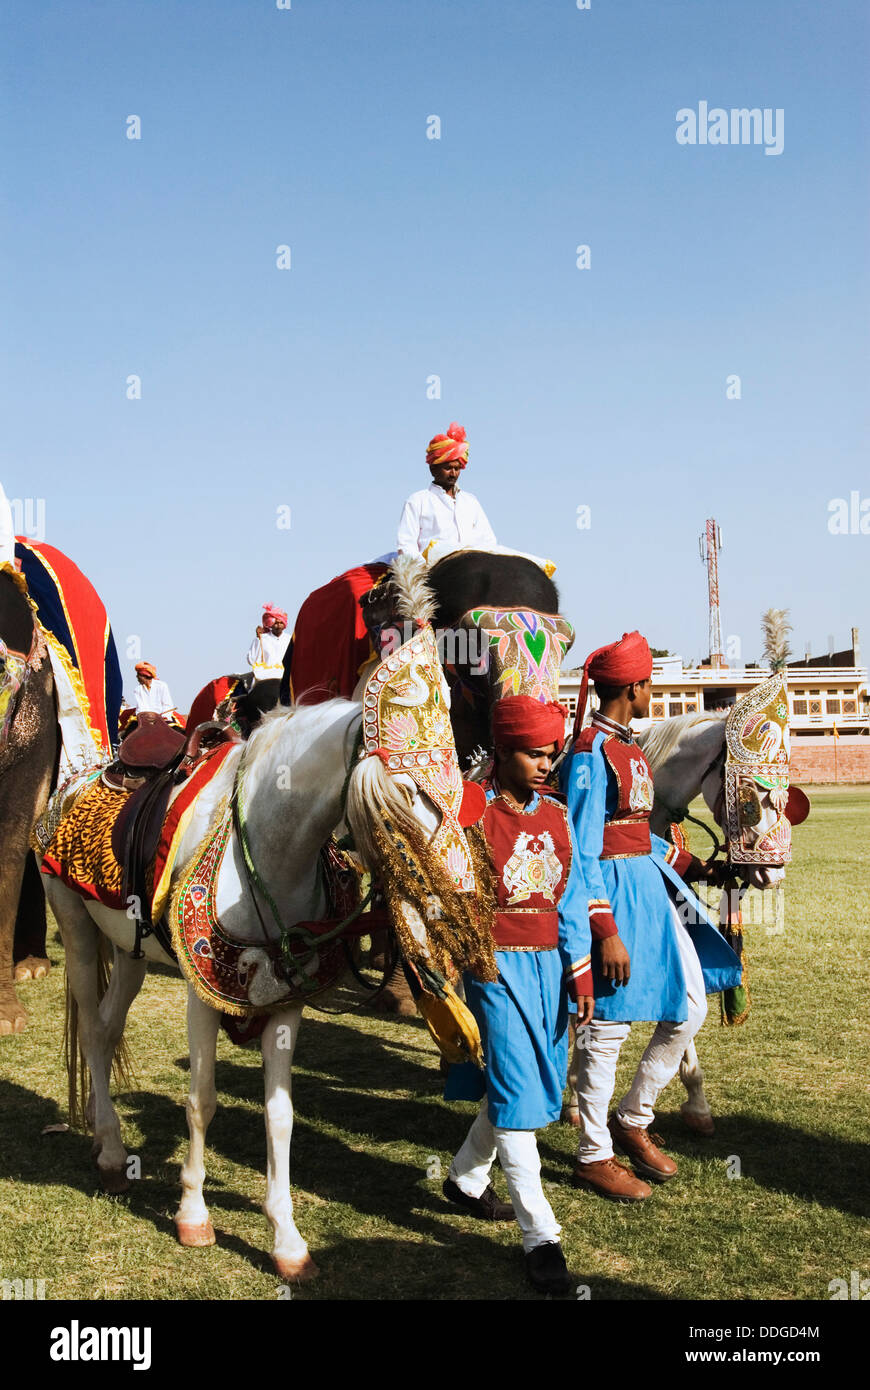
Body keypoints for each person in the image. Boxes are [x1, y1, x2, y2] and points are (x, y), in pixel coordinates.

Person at [558, 632, 742, 1201]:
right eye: (649, 685)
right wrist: (603, 929)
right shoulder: (589, 752)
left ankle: (632, 1117)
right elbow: (581, 848)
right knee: (606, 1028)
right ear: (634, 688)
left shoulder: (630, 747)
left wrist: (699, 868)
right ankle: (593, 1155)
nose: (652, 693)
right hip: (612, 899)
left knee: (688, 1006)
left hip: (649, 892)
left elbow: (639, 836)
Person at [443, 694, 593, 1296]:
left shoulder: (558, 816)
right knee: (514, 1091)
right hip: (491, 967)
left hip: (550, 969)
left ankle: (462, 1180)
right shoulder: (469, 809)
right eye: (533, 753)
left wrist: (579, 972)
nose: (545, 763)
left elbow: (574, 895)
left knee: (530, 1088)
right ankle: (541, 1236)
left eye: (551, 753)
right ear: (502, 752)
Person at [396, 422, 497, 560]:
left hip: (471, 567)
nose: (453, 473)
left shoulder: (470, 501)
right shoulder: (418, 501)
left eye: (457, 468)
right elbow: (406, 545)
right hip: (432, 570)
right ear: (433, 469)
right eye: (448, 468)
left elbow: (488, 540)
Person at [246, 603, 290, 682]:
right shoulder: (262, 639)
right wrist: (258, 640)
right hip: (265, 677)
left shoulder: (289, 639)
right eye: (276, 623)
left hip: (286, 676)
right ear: (271, 624)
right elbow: (251, 659)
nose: (278, 626)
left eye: (281, 623)